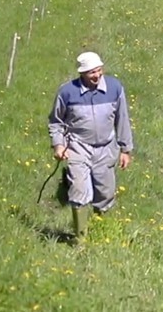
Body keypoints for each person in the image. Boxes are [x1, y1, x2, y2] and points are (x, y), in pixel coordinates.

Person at [48, 51, 133, 240]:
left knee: (105, 192)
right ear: (82, 73)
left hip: (106, 148)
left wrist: (126, 149)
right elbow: (56, 122)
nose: (97, 75)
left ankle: (101, 232)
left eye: (99, 71)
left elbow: (123, 120)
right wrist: (58, 145)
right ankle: (81, 239)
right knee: (79, 190)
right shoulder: (67, 92)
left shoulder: (115, 88)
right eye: (92, 72)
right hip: (78, 147)